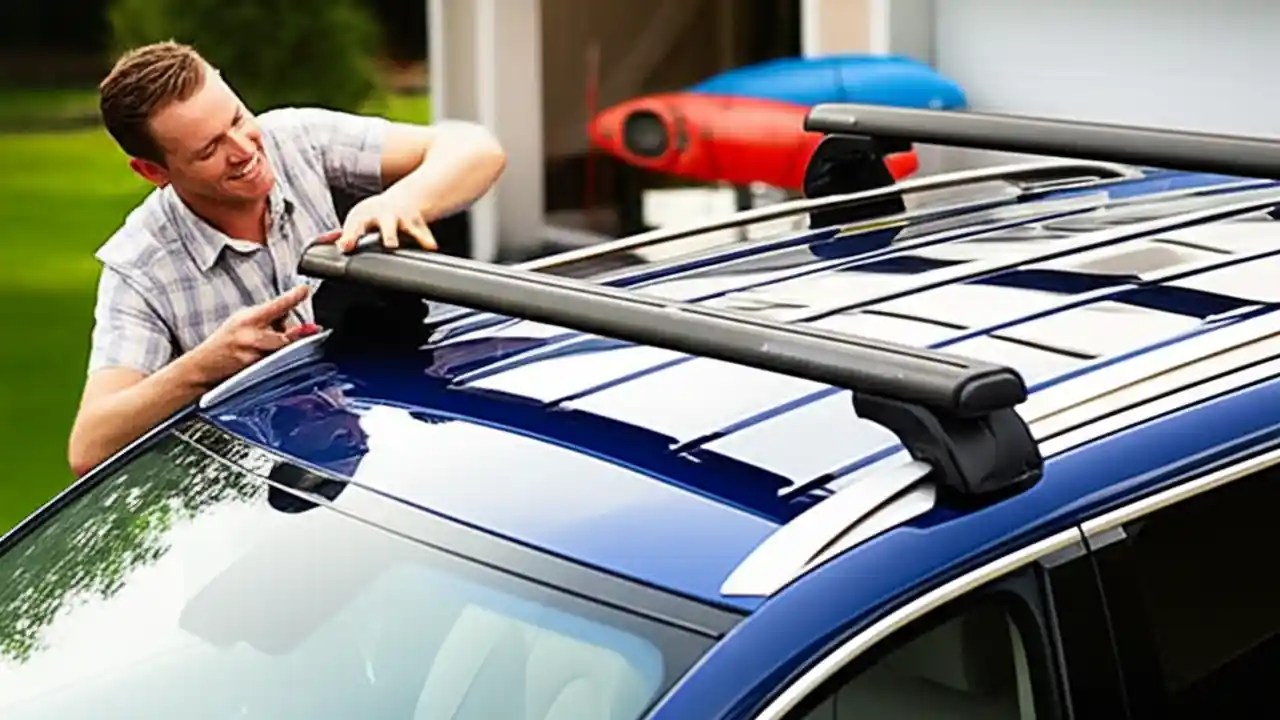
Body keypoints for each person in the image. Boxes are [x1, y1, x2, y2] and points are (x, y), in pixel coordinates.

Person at [67, 41, 507, 477]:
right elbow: (90, 446)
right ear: (153, 172)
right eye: (208, 150)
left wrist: (401, 201)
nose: (243, 150)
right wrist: (204, 367)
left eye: (238, 118)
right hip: (262, 502)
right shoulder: (141, 267)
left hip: (394, 439)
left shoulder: (299, 141)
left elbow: (477, 149)